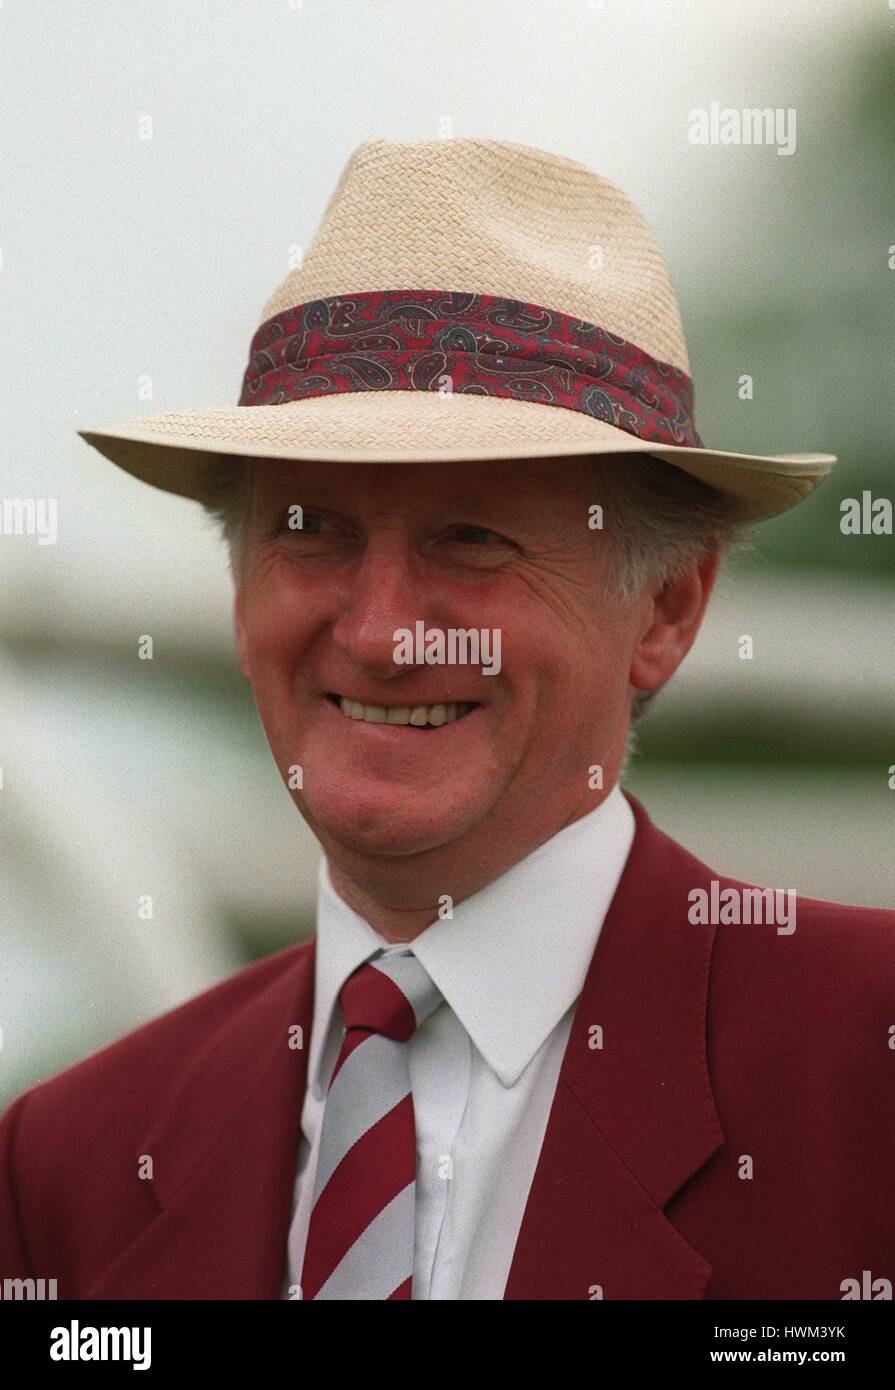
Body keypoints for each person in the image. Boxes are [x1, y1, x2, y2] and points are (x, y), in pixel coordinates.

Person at [1, 139, 891, 1301]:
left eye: (470, 537)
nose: (379, 632)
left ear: (668, 607)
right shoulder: (67, 1168)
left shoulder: (860, 1076)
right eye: (310, 527)